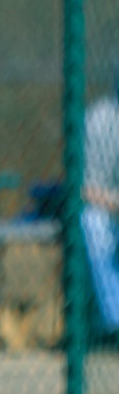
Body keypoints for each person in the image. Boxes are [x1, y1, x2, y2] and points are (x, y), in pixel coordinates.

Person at [83, 70, 119, 343]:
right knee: (92, 223)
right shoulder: (100, 119)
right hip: (105, 208)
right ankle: (115, 321)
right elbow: (84, 189)